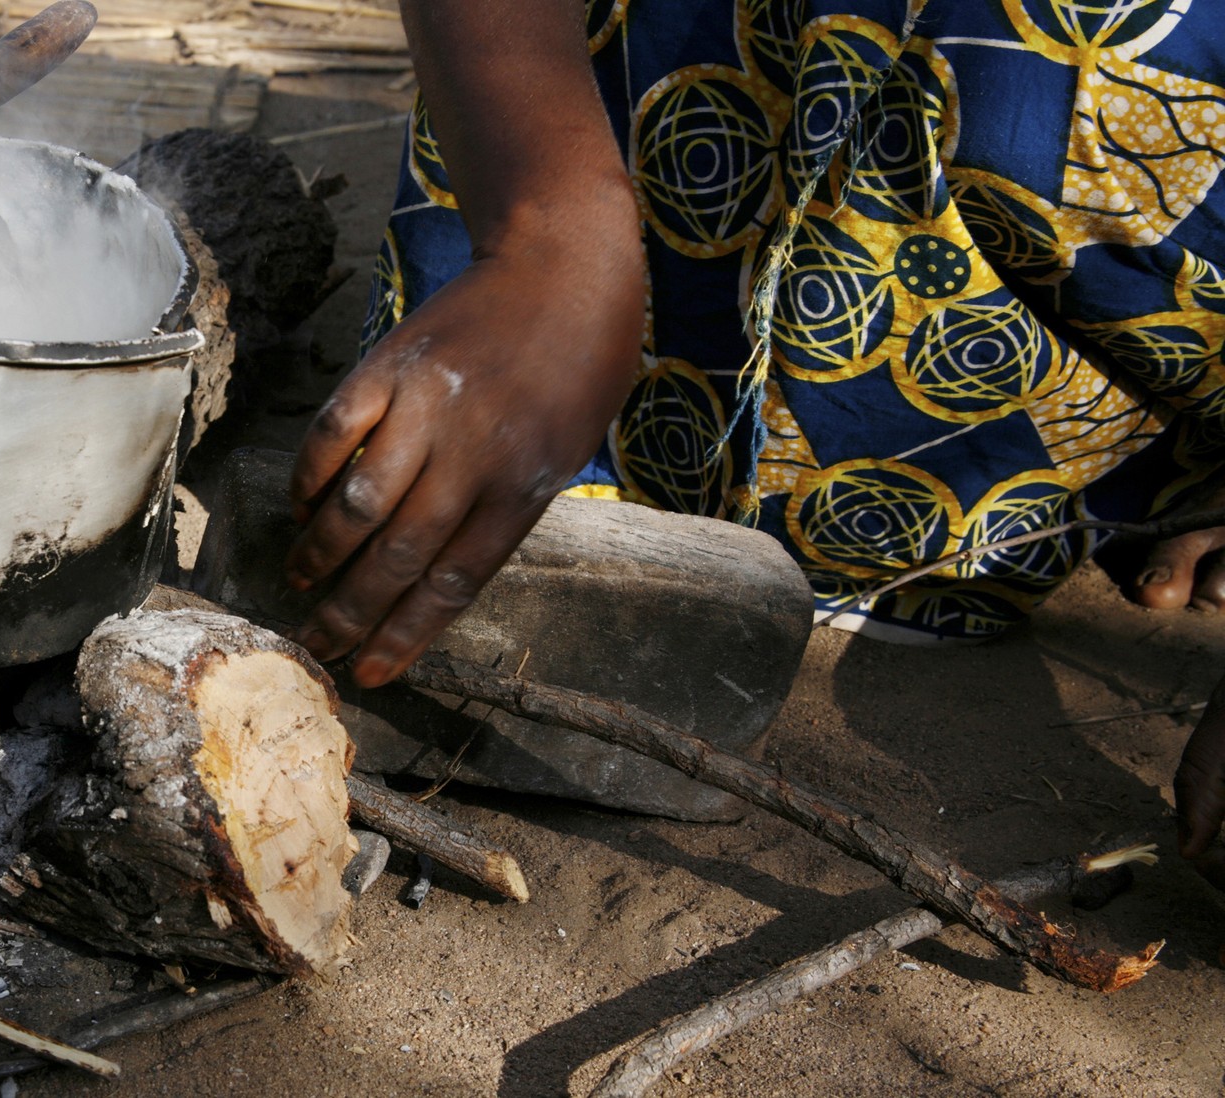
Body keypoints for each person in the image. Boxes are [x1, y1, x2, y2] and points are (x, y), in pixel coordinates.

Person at [282, 2, 1225, 883]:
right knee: (439, 486)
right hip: (633, 120)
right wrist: (545, 238)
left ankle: (1170, 463)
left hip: (1109, 273)